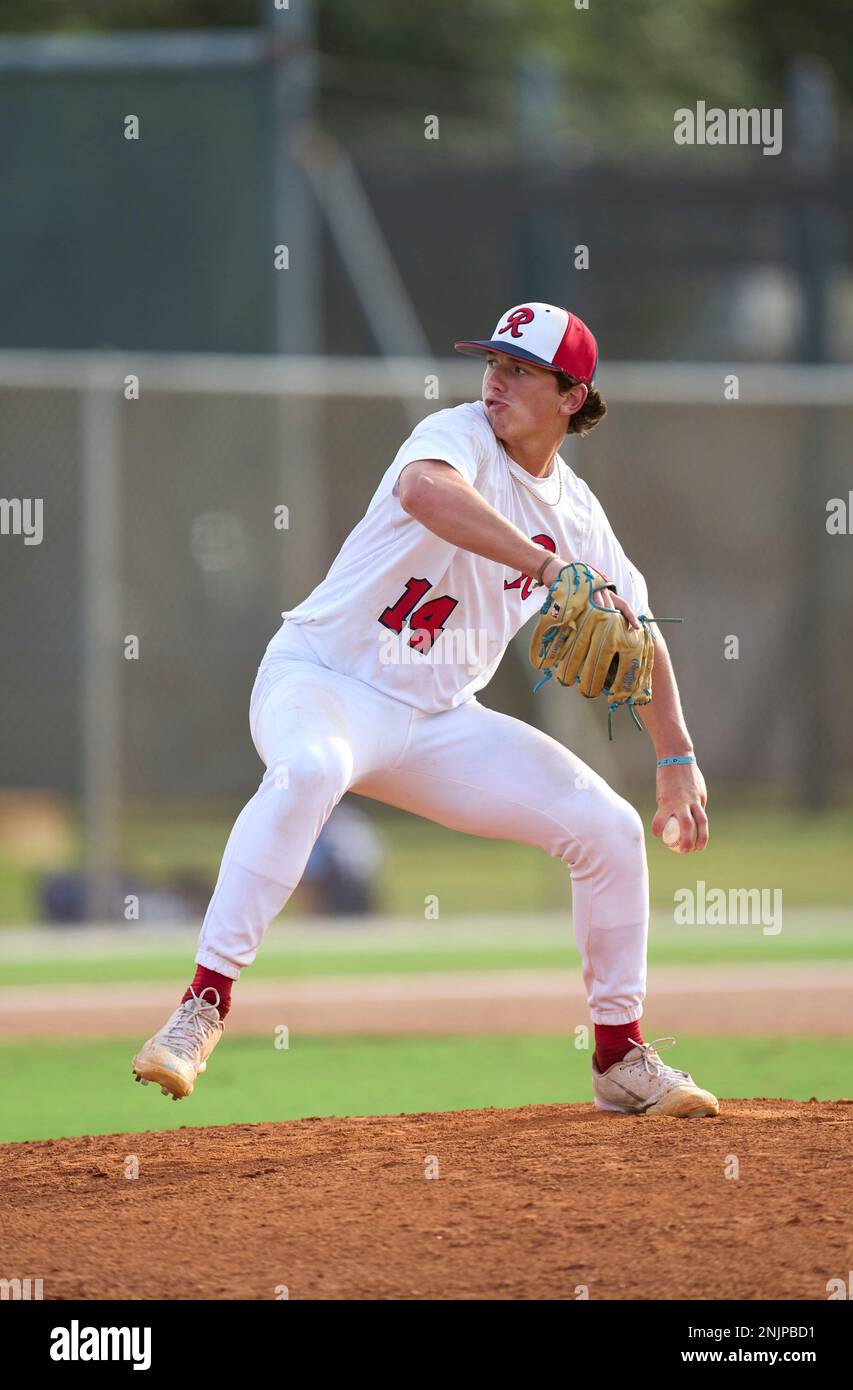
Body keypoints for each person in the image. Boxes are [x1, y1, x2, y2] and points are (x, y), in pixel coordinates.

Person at [132, 301, 718, 1119]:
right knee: (312, 770)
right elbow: (423, 494)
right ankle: (202, 1007)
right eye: (492, 361)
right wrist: (548, 571)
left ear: (572, 396)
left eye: (519, 369)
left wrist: (676, 759)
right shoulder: (458, 436)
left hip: (439, 722)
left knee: (612, 831)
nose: (495, 379)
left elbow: (639, 633)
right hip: (323, 679)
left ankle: (620, 1059)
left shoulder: (579, 515)